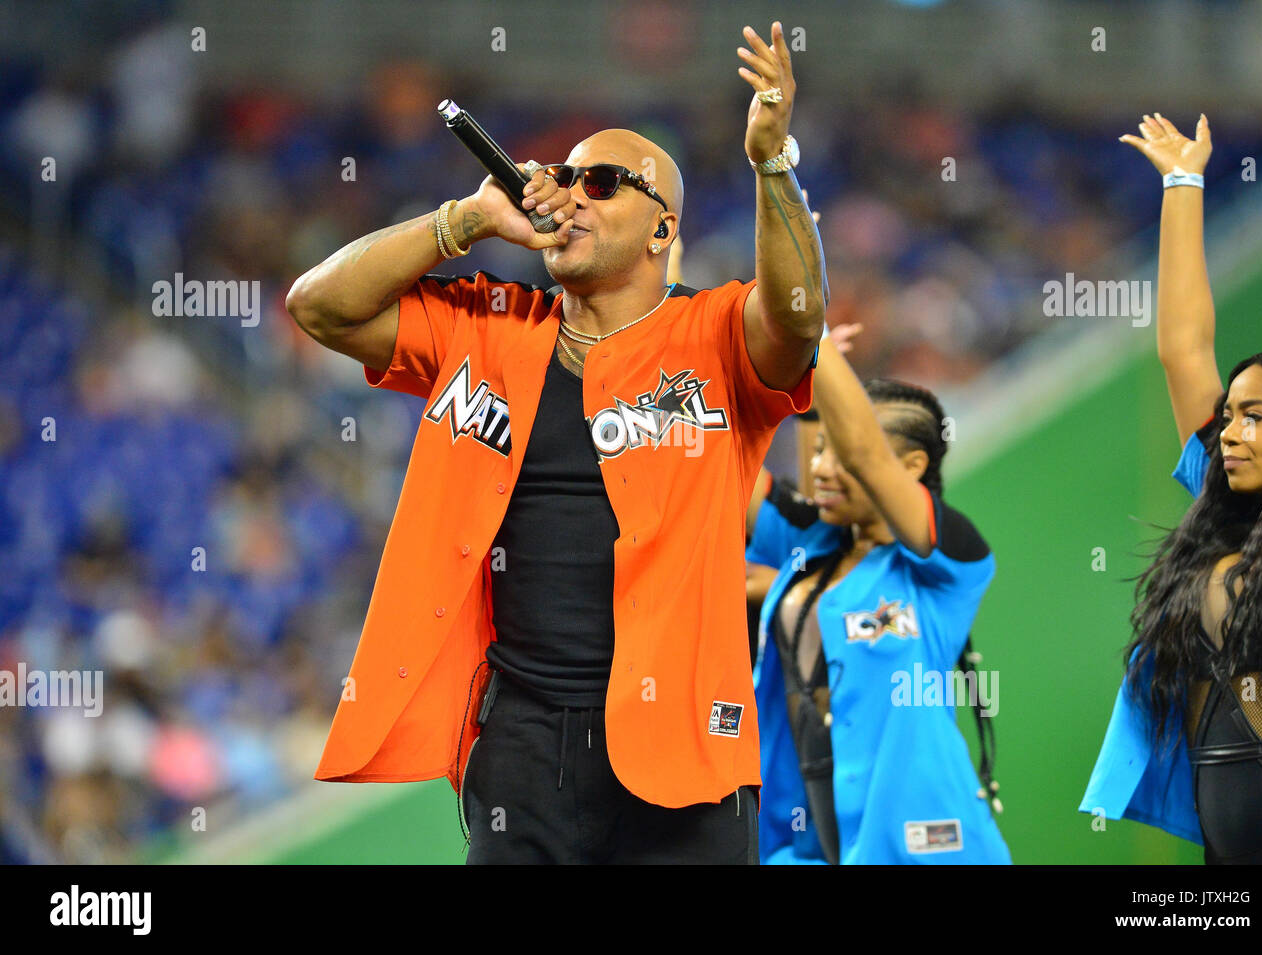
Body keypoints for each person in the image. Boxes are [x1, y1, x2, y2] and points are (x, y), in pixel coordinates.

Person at [286, 21, 827, 864]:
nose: (570, 194)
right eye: (564, 177)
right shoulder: (485, 326)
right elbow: (320, 306)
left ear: (661, 230)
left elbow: (798, 318)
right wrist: (464, 220)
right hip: (526, 748)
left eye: (603, 182)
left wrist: (770, 163)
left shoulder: (714, 332)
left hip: (683, 740)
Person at [1081, 113, 1262, 864]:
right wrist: (1183, 183)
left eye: (1256, 416)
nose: (1230, 432)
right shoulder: (1219, 499)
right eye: (1229, 416)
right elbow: (1183, 346)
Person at [745, 317, 1010, 864]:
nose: (820, 468)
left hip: (930, 849)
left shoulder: (952, 564)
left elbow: (865, 451)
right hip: (802, 845)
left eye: (840, 453)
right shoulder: (813, 544)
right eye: (820, 450)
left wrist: (807, 326)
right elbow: (714, 460)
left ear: (911, 466)